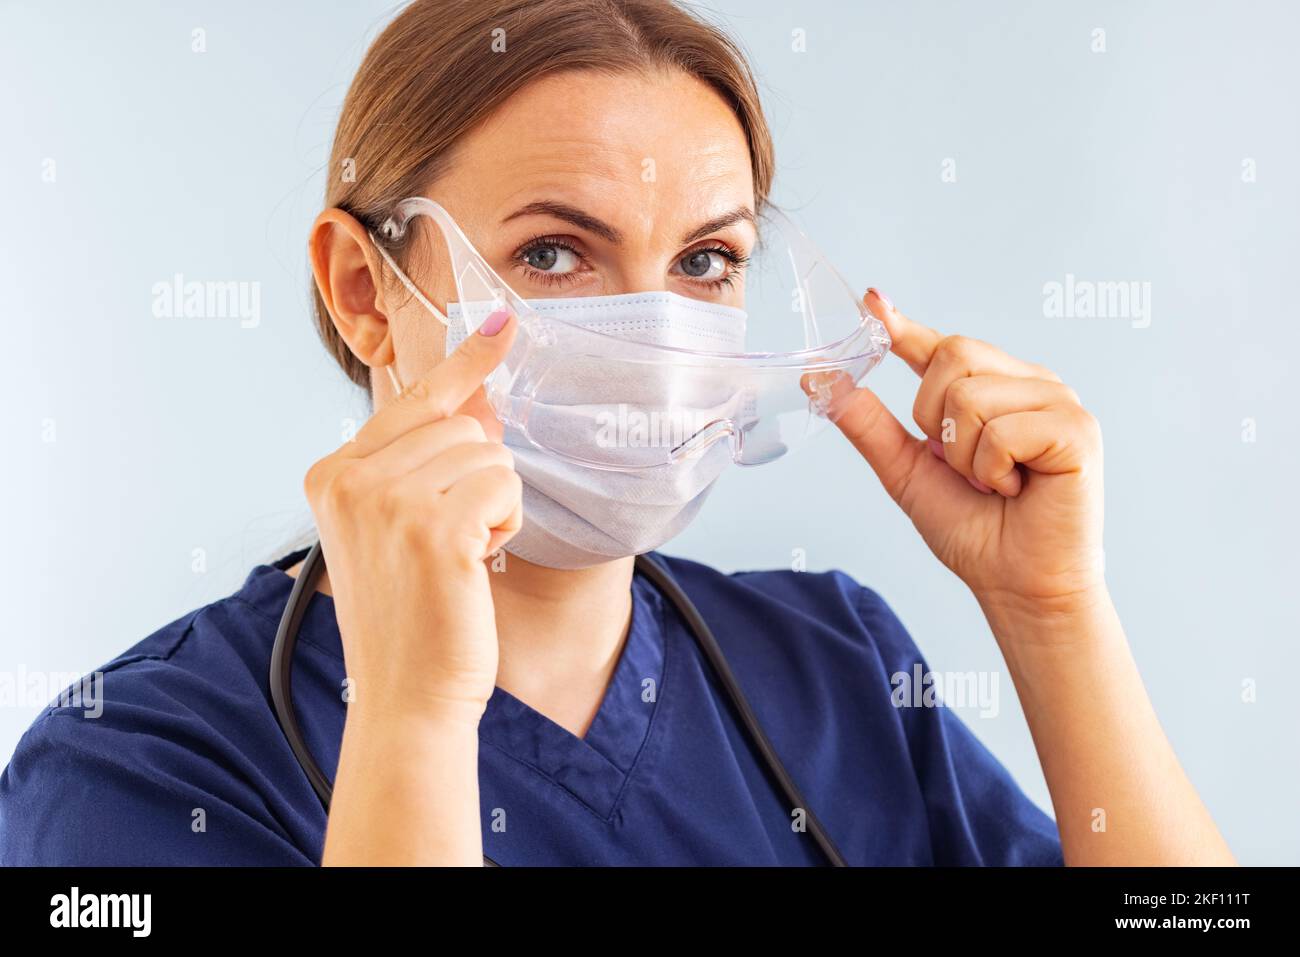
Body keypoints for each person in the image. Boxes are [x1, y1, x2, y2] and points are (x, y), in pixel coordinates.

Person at [0, 0, 1233, 866]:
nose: (652, 336)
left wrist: (1053, 614)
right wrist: (414, 723)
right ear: (366, 292)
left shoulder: (836, 667)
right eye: (552, 252)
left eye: (706, 261)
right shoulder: (136, 763)